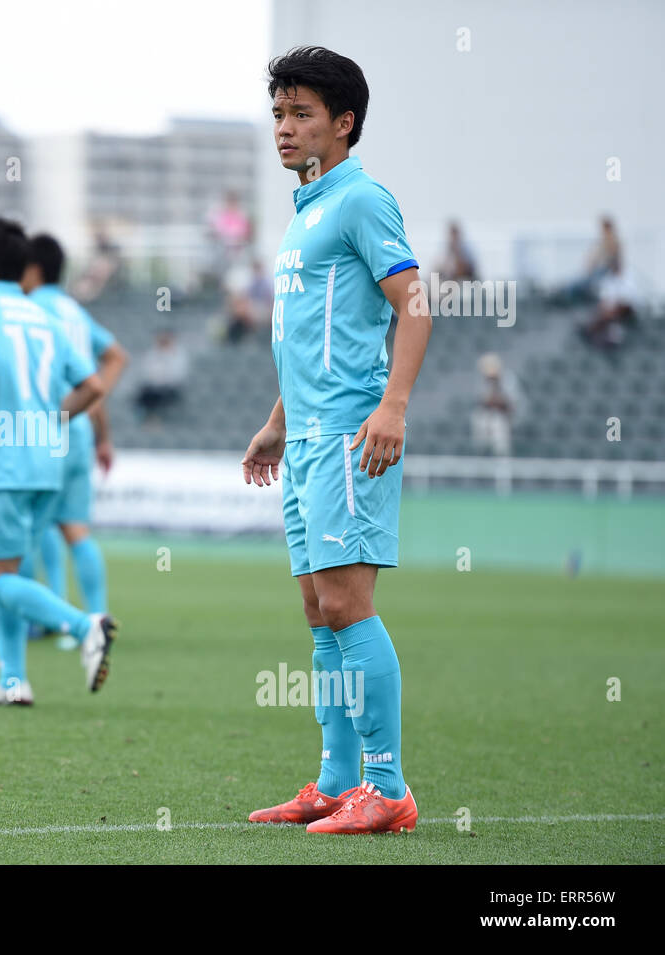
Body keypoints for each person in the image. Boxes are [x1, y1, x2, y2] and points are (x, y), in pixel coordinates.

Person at [241, 46, 432, 834]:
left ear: (343, 123)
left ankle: (387, 787)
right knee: (320, 614)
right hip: (308, 439)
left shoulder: (360, 199)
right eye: (279, 112)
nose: (283, 127)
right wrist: (278, 424)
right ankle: (332, 780)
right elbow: (313, 340)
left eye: (301, 113)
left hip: (354, 438)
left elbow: (414, 303)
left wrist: (393, 406)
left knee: (350, 607)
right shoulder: (304, 212)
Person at [0, 217, 114, 706]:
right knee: (11, 572)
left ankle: (84, 625)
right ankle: (13, 681)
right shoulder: (45, 316)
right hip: (47, 460)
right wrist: (50, 420)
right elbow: (94, 386)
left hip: (6, 463)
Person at [470, 353, 522, 456]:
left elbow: (509, 404)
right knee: (478, 419)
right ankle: (480, 454)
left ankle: (502, 461)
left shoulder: (508, 380)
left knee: (498, 425)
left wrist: (495, 401)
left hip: (506, 417)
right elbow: (483, 401)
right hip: (488, 416)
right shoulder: (483, 381)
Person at [134, 329, 188, 423]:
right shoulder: (152, 353)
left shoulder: (178, 354)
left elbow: (177, 375)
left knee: (158, 396)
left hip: (170, 388)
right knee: (143, 395)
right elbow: (147, 373)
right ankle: (148, 420)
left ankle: (155, 420)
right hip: (154, 388)